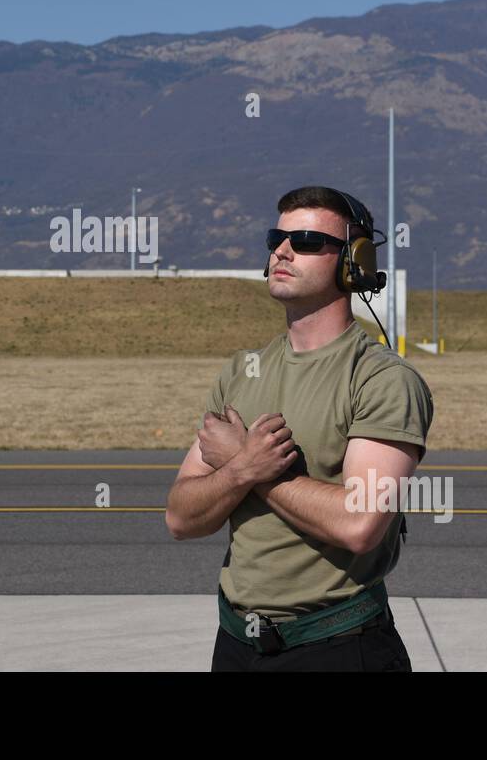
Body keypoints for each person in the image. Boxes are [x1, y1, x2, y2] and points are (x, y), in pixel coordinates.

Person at [164, 185, 433, 671]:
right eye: (277, 238)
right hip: (236, 645)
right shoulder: (242, 370)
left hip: (338, 647)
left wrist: (256, 471)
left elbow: (360, 524)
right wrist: (239, 471)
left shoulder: (382, 379)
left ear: (354, 261)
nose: (282, 251)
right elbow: (181, 518)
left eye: (307, 241)